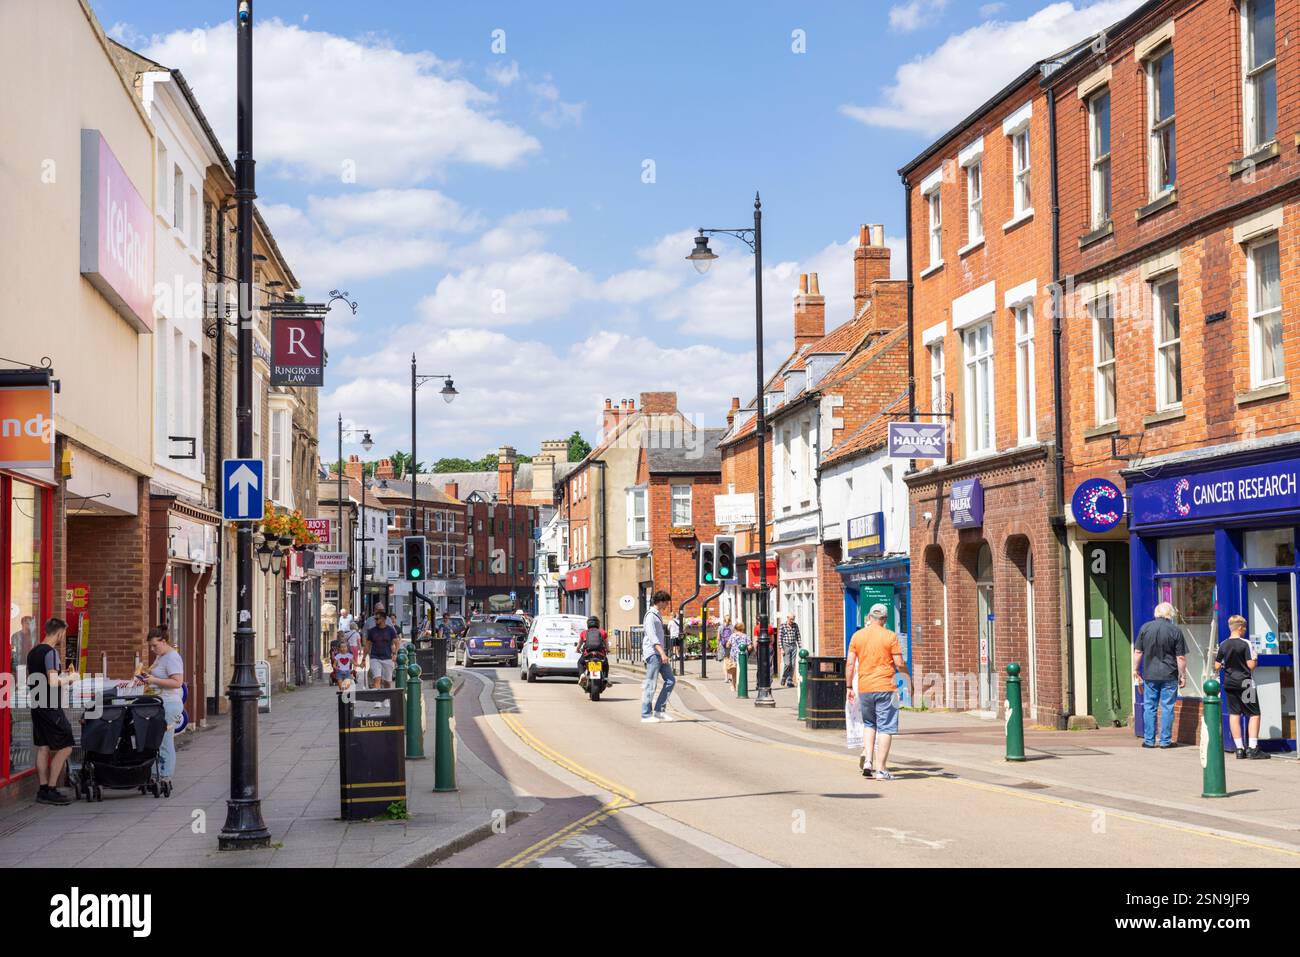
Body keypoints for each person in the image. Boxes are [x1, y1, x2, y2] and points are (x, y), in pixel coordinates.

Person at [846, 603, 910, 781]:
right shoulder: (890, 636)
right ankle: (881, 769)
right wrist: (906, 678)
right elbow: (898, 662)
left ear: (869, 617)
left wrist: (849, 687)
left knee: (869, 724)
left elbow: (850, 663)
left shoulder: (857, 636)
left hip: (865, 687)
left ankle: (868, 760)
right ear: (885, 619)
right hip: (886, 687)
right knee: (886, 727)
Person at [28, 618, 77, 806]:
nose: (63, 637)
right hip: (50, 706)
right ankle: (51, 789)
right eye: (63, 634)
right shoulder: (51, 652)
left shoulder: (33, 652)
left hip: (37, 705)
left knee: (43, 747)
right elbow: (52, 681)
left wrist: (61, 677)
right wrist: (71, 677)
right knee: (66, 746)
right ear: (59, 633)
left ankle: (42, 790)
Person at [1133, 602, 1187, 749]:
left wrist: (1135, 669)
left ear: (1156, 613)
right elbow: (1180, 657)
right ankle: (1165, 741)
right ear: (1170, 615)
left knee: (1149, 707)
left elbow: (1138, 652)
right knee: (1167, 707)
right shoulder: (1175, 631)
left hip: (1150, 674)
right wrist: (1182, 675)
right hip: (1169, 674)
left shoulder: (1145, 628)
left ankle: (1149, 741)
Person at [137, 627, 185, 788]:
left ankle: (166, 776)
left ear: (164, 642)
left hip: (169, 704)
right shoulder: (161, 656)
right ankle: (155, 773)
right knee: (156, 739)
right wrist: (146, 677)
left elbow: (177, 682)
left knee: (165, 740)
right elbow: (156, 676)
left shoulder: (172, 658)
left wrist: (153, 680)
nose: (152, 649)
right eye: (150, 646)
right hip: (158, 703)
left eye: (154, 645)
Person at [1216, 615, 1270, 760]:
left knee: (1234, 714)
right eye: (1244, 627)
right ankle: (1253, 748)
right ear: (1240, 628)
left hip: (1229, 683)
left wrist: (1226, 665)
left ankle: (1239, 749)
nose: (1245, 630)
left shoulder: (1223, 644)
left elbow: (1216, 665)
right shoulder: (1246, 643)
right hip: (1245, 683)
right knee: (1254, 713)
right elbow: (1251, 665)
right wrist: (1255, 659)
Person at [640, 590, 677, 723]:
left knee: (670, 680)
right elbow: (652, 636)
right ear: (660, 601)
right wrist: (662, 653)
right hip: (654, 653)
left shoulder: (657, 615)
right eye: (666, 602)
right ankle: (645, 715)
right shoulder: (650, 615)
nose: (667, 604)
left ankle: (659, 711)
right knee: (651, 683)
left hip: (659, 653)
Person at [365, 609, 400, 689]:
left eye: (377, 619)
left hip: (387, 658)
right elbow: (367, 645)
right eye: (375, 619)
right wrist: (363, 658)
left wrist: (395, 654)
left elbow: (397, 643)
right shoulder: (372, 631)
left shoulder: (390, 630)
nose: (375, 620)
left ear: (383, 619)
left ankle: (386, 699)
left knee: (387, 682)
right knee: (377, 679)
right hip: (374, 658)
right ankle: (378, 700)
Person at [576, 615, 610, 684]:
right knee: (605, 664)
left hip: (588, 654)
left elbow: (579, 644)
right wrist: (608, 650)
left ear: (588, 624)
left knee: (580, 662)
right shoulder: (603, 632)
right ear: (598, 623)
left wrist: (577, 649)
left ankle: (582, 675)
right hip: (600, 654)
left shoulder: (584, 633)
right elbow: (606, 645)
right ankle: (606, 678)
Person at [779, 613, 802, 687]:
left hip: (793, 645)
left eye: (793, 619)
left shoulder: (795, 625)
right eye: (791, 619)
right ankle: (784, 677)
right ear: (787, 618)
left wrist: (800, 646)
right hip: (786, 645)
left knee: (792, 664)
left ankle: (789, 680)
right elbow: (780, 638)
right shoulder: (783, 626)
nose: (792, 620)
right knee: (787, 664)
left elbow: (798, 636)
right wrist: (781, 649)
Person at [725, 623, 749, 691]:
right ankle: (742, 686)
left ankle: (733, 686)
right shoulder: (745, 636)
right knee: (742, 671)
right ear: (742, 628)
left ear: (735, 628)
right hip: (743, 656)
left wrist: (730, 645)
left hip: (734, 655)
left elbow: (727, 645)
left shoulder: (733, 636)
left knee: (734, 672)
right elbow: (750, 646)